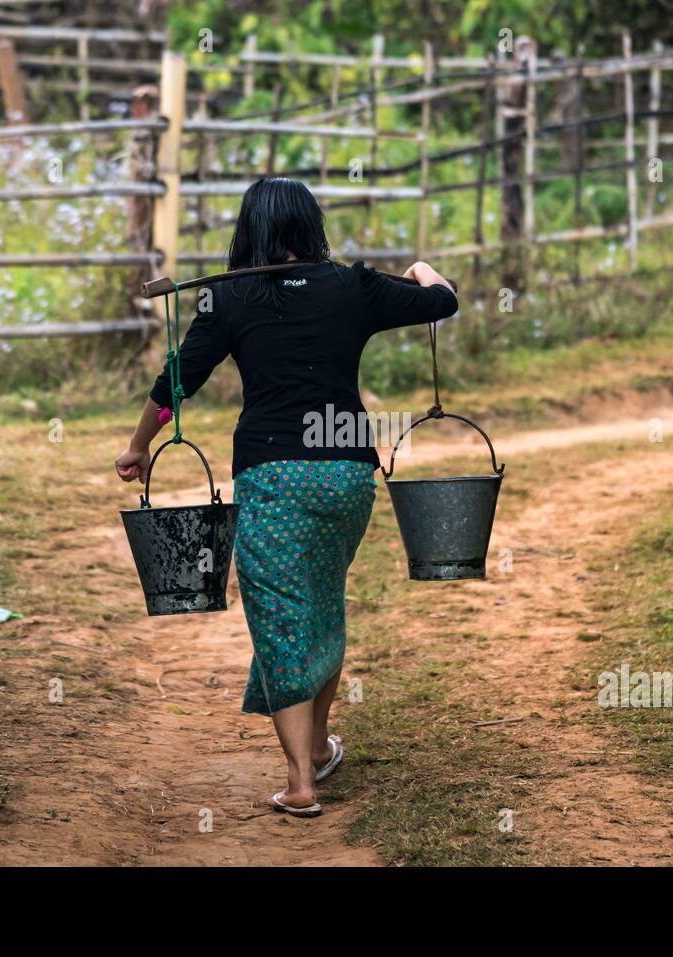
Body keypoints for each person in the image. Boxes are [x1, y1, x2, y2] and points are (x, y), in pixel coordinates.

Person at [115, 177, 456, 816]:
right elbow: (442, 301)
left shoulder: (230, 297)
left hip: (272, 476)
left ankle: (300, 781)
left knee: (279, 617)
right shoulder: (354, 286)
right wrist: (419, 269)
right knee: (322, 603)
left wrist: (137, 448)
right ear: (311, 225)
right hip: (348, 475)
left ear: (249, 231)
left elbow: (176, 382)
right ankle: (320, 750)